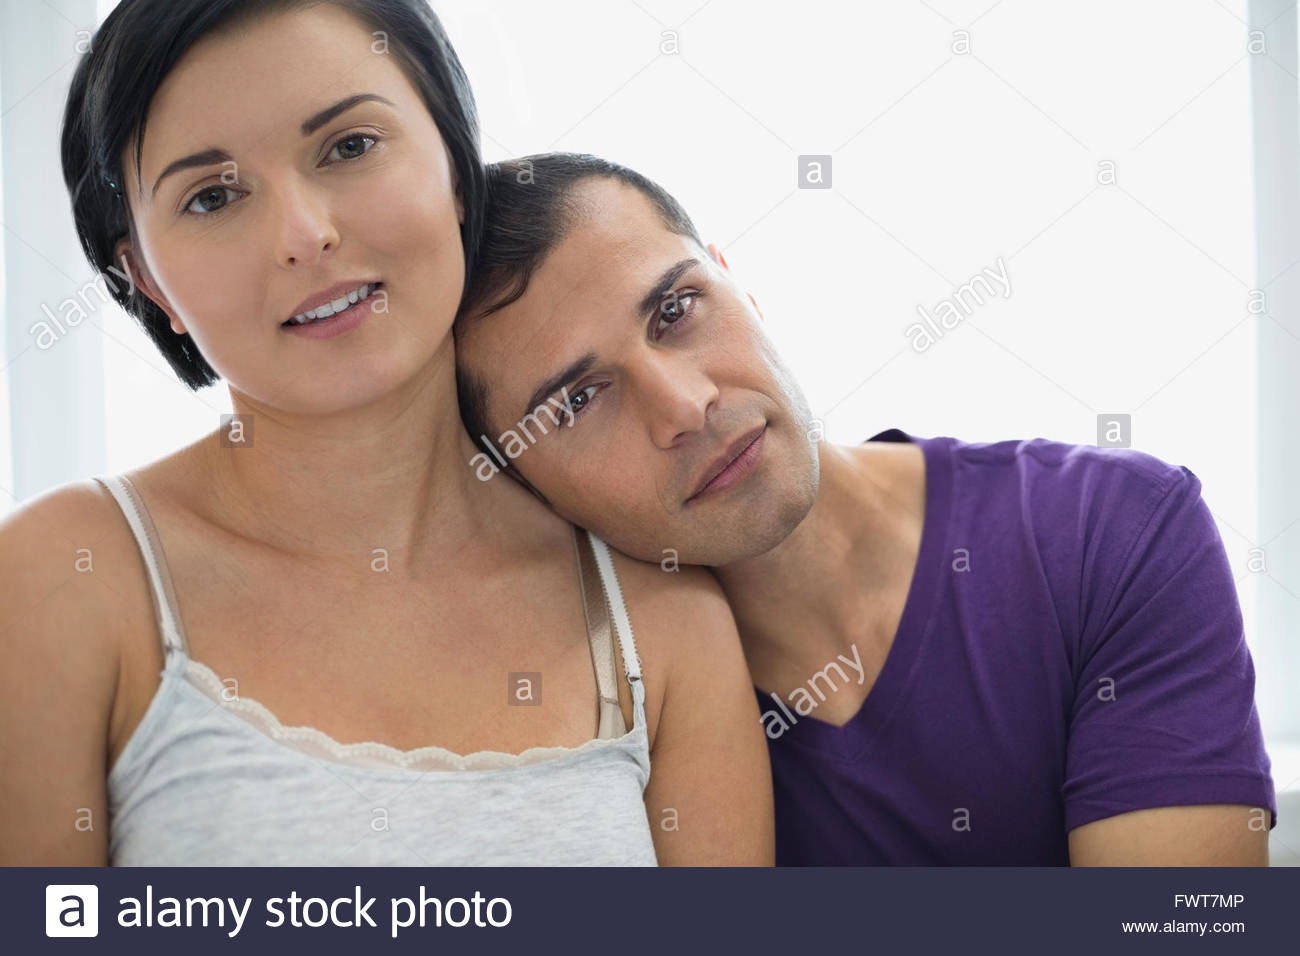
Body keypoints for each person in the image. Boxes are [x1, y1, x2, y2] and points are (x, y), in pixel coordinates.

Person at [0, 2, 772, 866]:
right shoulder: (58, 582)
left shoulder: (658, 621)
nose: (305, 235)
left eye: (349, 146)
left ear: (453, 160)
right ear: (146, 279)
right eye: (212, 196)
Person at [452, 152, 1279, 866]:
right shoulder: (597, 728)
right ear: (520, 488)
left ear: (738, 282)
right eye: (580, 401)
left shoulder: (1108, 528)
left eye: (676, 310)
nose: (687, 406)